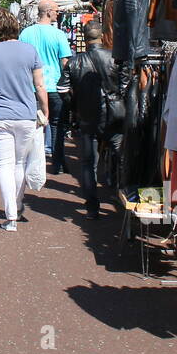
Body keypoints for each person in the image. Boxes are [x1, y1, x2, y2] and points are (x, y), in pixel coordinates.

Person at [0, 6, 48, 232]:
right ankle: (18, 203)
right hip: (25, 114)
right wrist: (45, 109)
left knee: (4, 164)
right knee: (20, 162)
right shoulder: (29, 50)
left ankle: (10, 215)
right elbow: (40, 85)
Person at [66, 20, 116, 218]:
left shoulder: (75, 61)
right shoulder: (114, 58)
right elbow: (126, 82)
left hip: (87, 116)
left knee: (88, 163)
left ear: (84, 39)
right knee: (122, 156)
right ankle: (128, 199)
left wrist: (74, 106)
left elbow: (64, 89)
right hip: (113, 114)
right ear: (102, 36)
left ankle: (92, 207)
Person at [19, 0, 73, 174]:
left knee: (33, 126)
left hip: (32, 88)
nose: (58, 13)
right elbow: (65, 61)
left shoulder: (25, 33)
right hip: (55, 86)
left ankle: (31, 164)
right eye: (56, 10)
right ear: (48, 12)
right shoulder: (58, 35)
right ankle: (57, 163)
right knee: (57, 125)